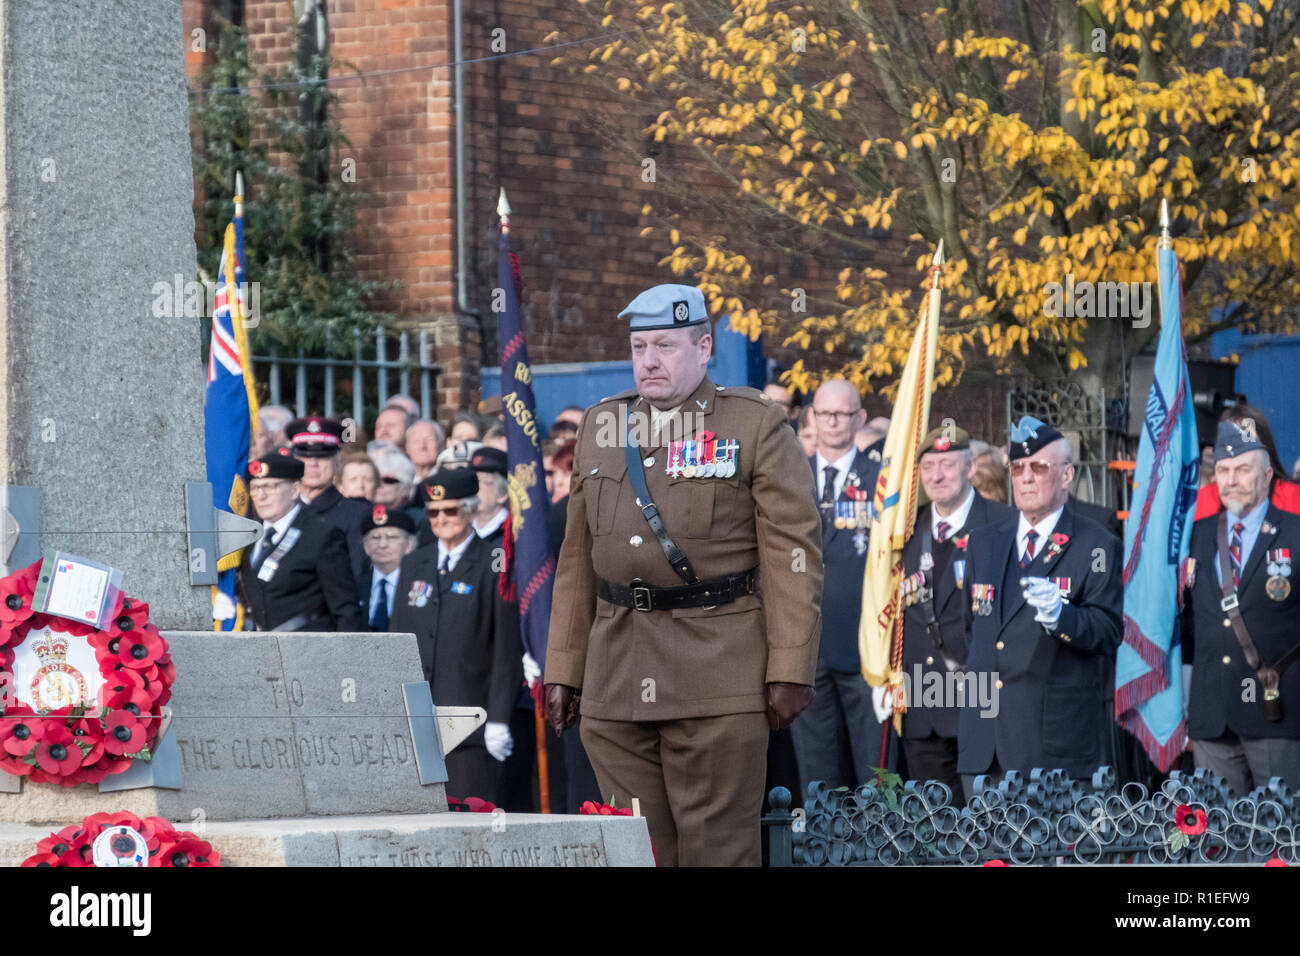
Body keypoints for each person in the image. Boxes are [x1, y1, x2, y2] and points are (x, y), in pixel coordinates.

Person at [543, 283, 823, 867]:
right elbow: (577, 560)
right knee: (635, 851)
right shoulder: (602, 426)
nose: (649, 360)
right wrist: (565, 670)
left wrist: (790, 666)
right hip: (617, 676)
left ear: (704, 346)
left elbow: (792, 556)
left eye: (665, 346)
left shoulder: (754, 425)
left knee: (717, 852)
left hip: (717, 668)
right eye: (639, 345)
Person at [958, 415, 1122, 793]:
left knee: (1046, 852)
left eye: (1038, 467)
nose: (1026, 477)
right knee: (986, 852)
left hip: (1052, 747)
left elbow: (1109, 632)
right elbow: (976, 628)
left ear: (1066, 476)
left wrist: (1062, 617)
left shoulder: (1095, 543)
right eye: (1017, 468)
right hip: (985, 743)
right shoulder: (985, 541)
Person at [389, 469, 524, 804]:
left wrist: (499, 719)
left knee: (471, 823)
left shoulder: (495, 562)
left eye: (449, 510)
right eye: (433, 512)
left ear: (470, 508)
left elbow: (507, 649)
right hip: (418, 722)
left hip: (471, 724)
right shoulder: (414, 563)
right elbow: (396, 641)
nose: (441, 519)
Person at [1180, 420, 1300, 795]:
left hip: (1276, 713)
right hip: (1211, 712)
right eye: (1223, 470)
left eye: (1242, 470)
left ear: (1266, 476)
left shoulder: (1295, 532)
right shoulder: (1195, 536)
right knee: (1216, 839)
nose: (1230, 479)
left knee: (1280, 833)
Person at [898, 427, 1015, 802]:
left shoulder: (1003, 524)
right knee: (935, 836)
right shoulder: (903, 529)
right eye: (928, 465)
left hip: (981, 703)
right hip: (922, 702)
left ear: (971, 467)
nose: (936, 475)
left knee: (989, 831)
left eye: (947, 464)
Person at [789, 379, 885, 791]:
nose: (831, 421)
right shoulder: (790, 478)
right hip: (806, 647)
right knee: (817, 778)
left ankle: (880, 851)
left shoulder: (881, 479)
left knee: (874, 775)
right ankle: (821, 854)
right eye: (823, 413)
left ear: (859, 418)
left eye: (842, 413)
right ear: (812, 416)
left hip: (865, 646)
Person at [238, 451, 362, 632]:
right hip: (259, 650)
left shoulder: (321, 535)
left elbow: (345, 609)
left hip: (309, 649)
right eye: (255, 488)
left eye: (271, 486)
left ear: (295, 490)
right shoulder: (248, 536)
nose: (261, 495)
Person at [286, 416, 372, 582]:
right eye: (305, 455)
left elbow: (354, 574)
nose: (313, 463)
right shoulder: (281, 511)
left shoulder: (359, 515)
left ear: (338, 461)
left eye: (322, 455)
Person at [357, 503, 419, 631]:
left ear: (409, 544)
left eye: (392, 537)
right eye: (375, 537)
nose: (382, 544)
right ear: (365, 546)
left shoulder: (420, 584)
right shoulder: (354, 587)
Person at [468, 446, 510, 543]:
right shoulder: (461, 531)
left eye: (478, 482)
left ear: (502, 495)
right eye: (469, 482)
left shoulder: (513, 536)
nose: (471, 488)